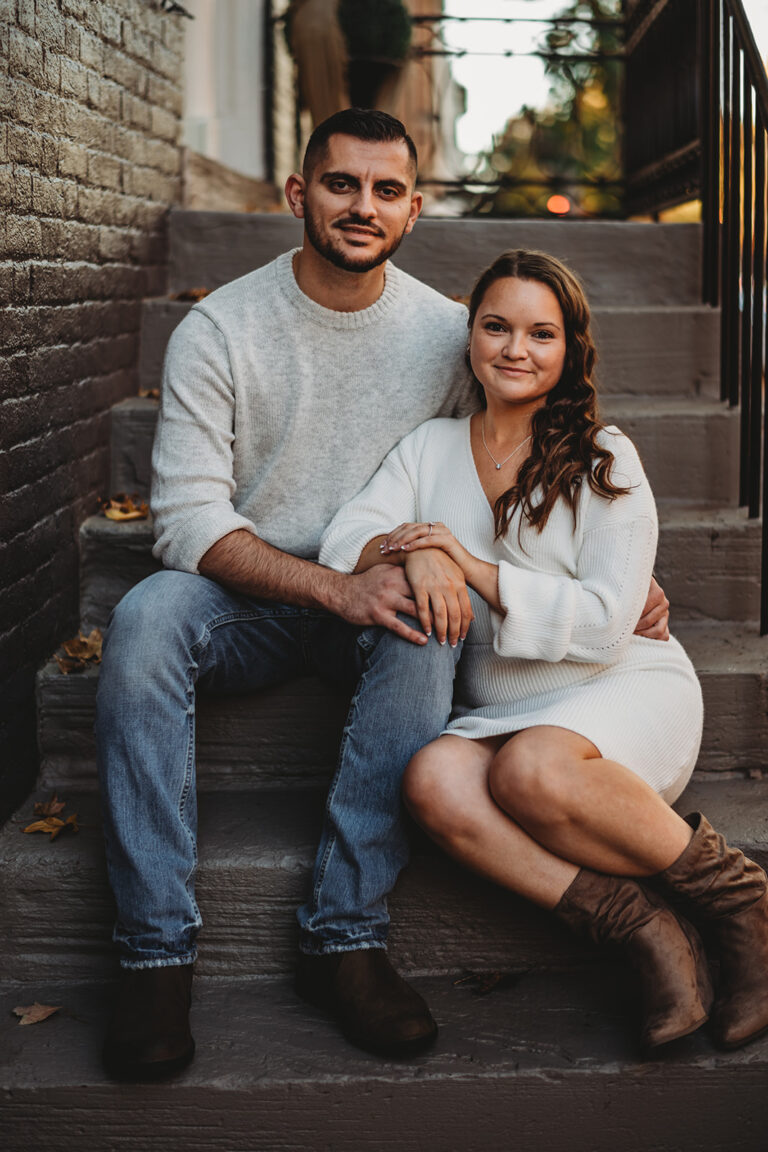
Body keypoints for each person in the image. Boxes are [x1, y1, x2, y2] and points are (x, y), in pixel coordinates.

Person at [95, 111, 670, 1080]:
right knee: (144, 618)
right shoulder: (220, 329)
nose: (363, 206)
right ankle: (154, 953)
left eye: (386, 190)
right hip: (246, 593)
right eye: (341, 184)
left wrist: (619, 562)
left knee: (428, 623)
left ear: (413, 210)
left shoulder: (451, 334)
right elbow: (185, 524)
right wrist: (335, 587)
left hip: (386, 589)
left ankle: (343, 937)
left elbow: (521, 457)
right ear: (299, 194)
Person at [319, 249, 768, 1052]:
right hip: (507, 707)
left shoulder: (605, 456)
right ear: (471, 336)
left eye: (541, 334)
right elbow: (345, 538)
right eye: (497, 327)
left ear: (570, 349)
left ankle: (742, 905)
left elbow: (606, 625)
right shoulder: (429, 447)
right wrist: (415, 555)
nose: (516, 350)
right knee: (432, 780)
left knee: (531, 769)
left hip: (622, 687)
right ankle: (642, 928)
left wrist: (467, 565)